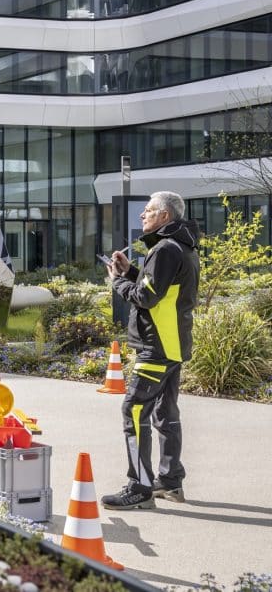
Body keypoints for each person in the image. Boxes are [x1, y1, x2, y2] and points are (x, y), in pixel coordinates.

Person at [102, 191, 200, 510]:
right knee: (164, 413)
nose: (142, 216)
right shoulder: (179, 246)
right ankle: (170, 482)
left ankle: (140, 487)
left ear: (165, 216)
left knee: (132, 409)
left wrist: (117, 281)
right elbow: (157, 288)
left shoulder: (165, 249)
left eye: (148, 211)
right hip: (172, 344)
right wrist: (131, 271)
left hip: (156, 346)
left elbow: (145, 298)